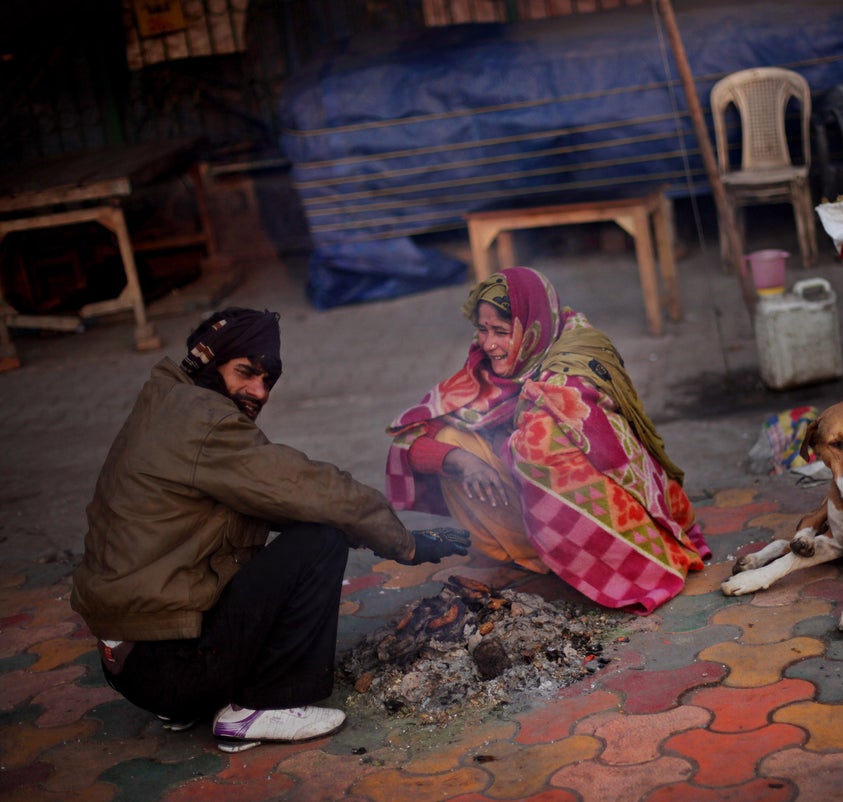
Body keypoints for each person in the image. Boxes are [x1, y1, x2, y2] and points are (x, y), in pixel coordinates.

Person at [71, 307, 468, 753]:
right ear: (207, 361)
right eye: (245, 372)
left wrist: (377, 537)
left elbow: (272, 502)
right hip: (167, 666)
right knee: (320, 542)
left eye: (268, 380)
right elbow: (312, 489)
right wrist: (404, 544)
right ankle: (263, 704)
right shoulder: (202, 421)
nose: (258, 392)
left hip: (131, 666)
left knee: (306, 528)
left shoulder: (165, 402)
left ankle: (188, 703)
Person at [385, 266, 709, 614]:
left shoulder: (577, 356)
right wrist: (461, 460)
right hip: (532, 510)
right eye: (482, 329)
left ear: (532, 327)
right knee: (452, 440)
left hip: (612, 509)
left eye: (501, 332)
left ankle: (608, 564)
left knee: (542, 444)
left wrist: (513, 442)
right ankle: (523, 559)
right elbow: (412, 442)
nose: (488, 344)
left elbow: (564, 444)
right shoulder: (484, 368)